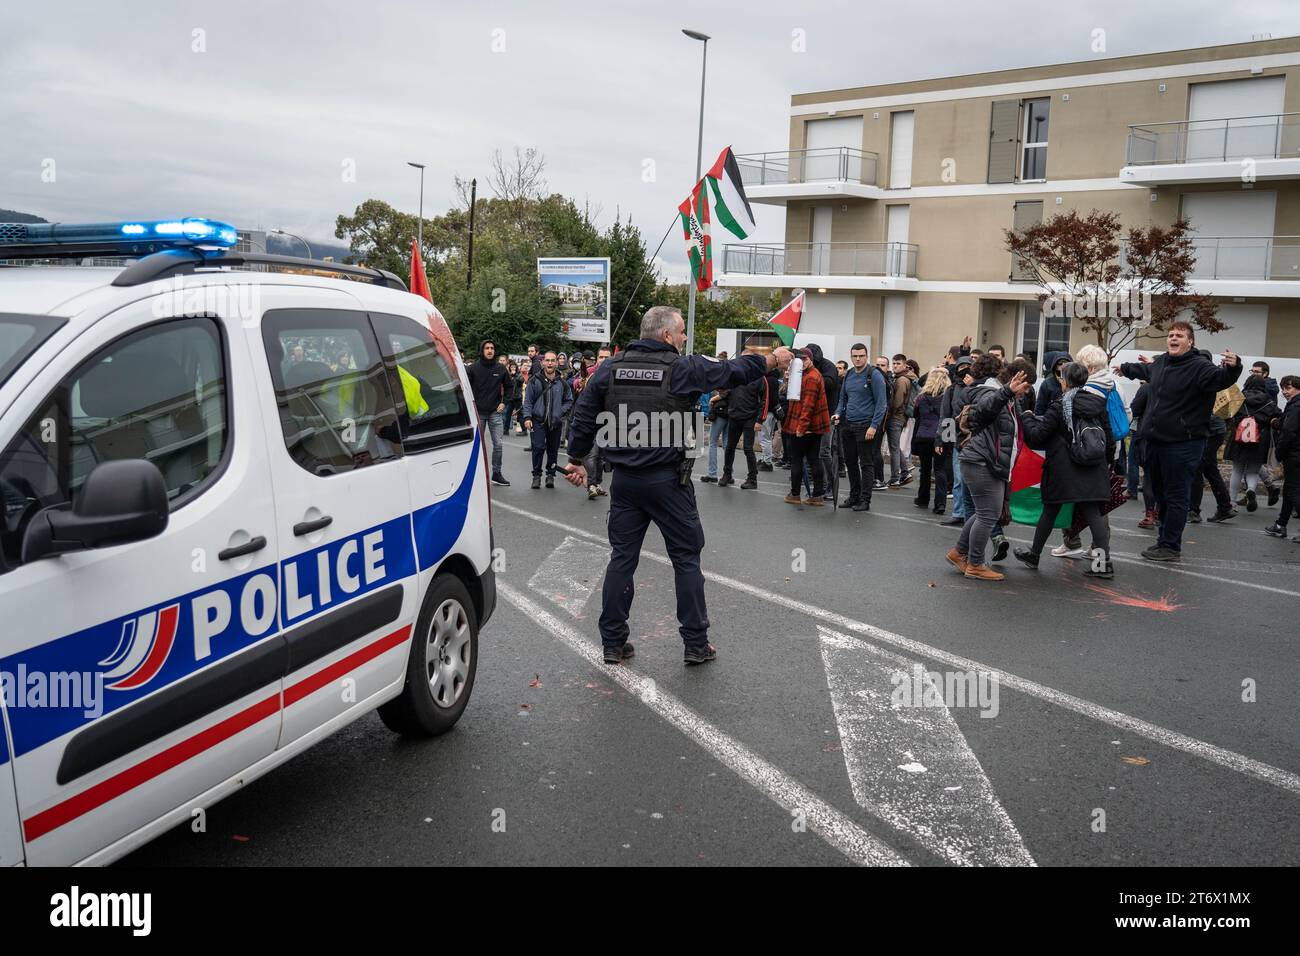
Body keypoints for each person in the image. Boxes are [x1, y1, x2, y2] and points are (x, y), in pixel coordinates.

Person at [563, 305, 792, 665]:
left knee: (622, 559)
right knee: (686, 560)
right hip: (668, 481)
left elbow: (584, 414)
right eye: (682, 332)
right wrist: (772, 360)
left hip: (624, 481)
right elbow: (731, 371)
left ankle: (612, 643)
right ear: (667, 335)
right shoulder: (682, 368)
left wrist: (576, 459)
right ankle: (696, 644)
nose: (685, 338)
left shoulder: (610, 367)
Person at [1114, 321, 1242, 561]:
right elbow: (1145, 370)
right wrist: (1125, 368)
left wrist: (1234, 368)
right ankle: (1163, 540)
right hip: (1155, 442)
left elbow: (1221, 378)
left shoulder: (1199, 366)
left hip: (1183, 444)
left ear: (1190, 341)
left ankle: (1171, 546)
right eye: (1171, 335)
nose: (1173, 338)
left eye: (1179, 335)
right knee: (1159, 493)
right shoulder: (1162, 362)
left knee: (1176, 495)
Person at [1013, 362, 1116, 578]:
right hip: (1093, 467)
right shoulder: (1098, 403)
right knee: (1093, 515)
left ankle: (1034, 554)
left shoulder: (1059, 406)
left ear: (1064, 381)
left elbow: (1037, 437)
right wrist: (1105, 464)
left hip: (1063, 469)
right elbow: (1109, 439)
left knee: (1050, 511)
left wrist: (1027, 417)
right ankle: (1102, 565)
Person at [948, 355, 1034, 581]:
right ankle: (975, 563)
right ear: (1016, 379)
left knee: (982, 513)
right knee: (988, 515)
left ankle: (959, 553)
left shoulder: (1003, 396)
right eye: (1027, 385)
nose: (1027, 391)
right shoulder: (990, 393)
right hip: (982, 460)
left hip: (984, 460)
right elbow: (983, 411)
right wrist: (1007, 391)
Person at [833, 342, 888, 512]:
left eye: (861, 356)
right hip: (848, 424)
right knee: (850, 462)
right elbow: (843, 398)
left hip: (866, 425)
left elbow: (882, 403)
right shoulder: (849, 374)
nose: (858, 359)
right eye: (855, 356)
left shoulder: (874, 375)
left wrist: (874, 426)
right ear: (851, 357)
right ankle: (854, 496)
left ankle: (865, 500)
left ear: (866, 356)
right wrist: (838, 413)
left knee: (866, 463)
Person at [1224, 371, 1282, 512]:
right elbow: (1278, 416)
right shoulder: (1268, 401)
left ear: (1247, 383)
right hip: (1260, 439)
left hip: (1239, 438)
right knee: (1253, 471)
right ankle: (1250, 489)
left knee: (1237, 469)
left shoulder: (1240, 398)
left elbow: (1228, 414)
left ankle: (1232, 502)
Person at [782, 349, 831, 506]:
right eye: (799, 360)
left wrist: (801, 428)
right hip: (813, 426)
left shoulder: (811, 377)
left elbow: (807, 406)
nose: (801, 362)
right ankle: (817, 495)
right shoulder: (807, 374)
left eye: (804, 359)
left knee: (797, 460)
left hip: (805, 425)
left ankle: (795, 494)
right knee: (813, 459)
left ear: (810, 359)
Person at [523, 351, 572, 488]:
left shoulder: (562, 383)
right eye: (547, 360)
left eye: (552, 360)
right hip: (537, 420)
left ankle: (550, 475)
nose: (550, 363)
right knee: (538, 447)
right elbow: (527, 401)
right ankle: (536, 476)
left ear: (556, 363)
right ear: (543, 362)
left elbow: (569, 400)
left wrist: (560, 412)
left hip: (555, 422)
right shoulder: (534, 380)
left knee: (553, 450)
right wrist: (527, 417)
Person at [720, 349, 768, 489]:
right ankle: (727, 475)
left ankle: (752, 479)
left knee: (748, 449)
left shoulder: (760, 377)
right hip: (734, 416)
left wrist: (760, 420)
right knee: (729, 447)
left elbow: (765, 400)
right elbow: (726, 392)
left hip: (750, 418)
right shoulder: (735, 374)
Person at [467, 339, 511, 486]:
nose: (490, 350)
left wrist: (504, 402)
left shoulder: (501, 368)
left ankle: (496, 473)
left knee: (498, 444)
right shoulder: (473, 368)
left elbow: (510, 388)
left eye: (492, 348)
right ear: (482, 350)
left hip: (495, 412)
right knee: (477, 445)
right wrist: (470, 405)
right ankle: (475, 475)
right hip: (478, 412)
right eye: (487, 348)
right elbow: (465, 387)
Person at [1263, 375, 1300, 541]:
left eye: (1289, 388)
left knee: (1294, 490)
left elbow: (1289, 432)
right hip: (1296, 453)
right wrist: (1277, 422)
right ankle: (1281, 524)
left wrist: (1279, 452)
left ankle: (1281, 524)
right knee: (1290, 490)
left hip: (1294, 454)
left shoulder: (1296, 406)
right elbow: (1289, 425)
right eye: (1283, 388)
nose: (1285, 391)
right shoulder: (1294, 405)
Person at [940, 353, 974, 526]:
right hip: (958, 441)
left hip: (975, 439)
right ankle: (958, 512)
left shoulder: (978, 386)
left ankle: (972, 515)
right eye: (961, 367)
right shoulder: (951, 389)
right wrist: (942, 440)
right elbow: (946, 415)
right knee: (959, 478)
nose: (964, 370)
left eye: (968, 366)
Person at [912, 367, 950, 514]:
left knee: (925, 469)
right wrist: (948, 440)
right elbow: (950, 418)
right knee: (941, 470)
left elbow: (916, 416)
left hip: (924, 435)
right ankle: (940, 503)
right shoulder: (948, 397)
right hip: (941, 435)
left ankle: (923, 498)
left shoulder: (921, 398)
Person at [808, 344, 842, 500]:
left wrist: (813, 376)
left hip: (827, 413)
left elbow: (829, 383)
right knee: (813, 452)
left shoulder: (827, 367)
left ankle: (830, 484)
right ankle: (819, 483)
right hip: (813, 413)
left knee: (824, 451)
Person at [886, 354, 917, 487]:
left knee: (893, 448)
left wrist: (889, 411)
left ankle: (895, 477)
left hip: (896, 416)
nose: (895, 366)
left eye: (898, 364)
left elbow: (897, 402)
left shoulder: (902, 380)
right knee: (895, 446)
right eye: (893, 363)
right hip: (900, 416)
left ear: (904, 365)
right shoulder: (904, 378)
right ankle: (905, 473)